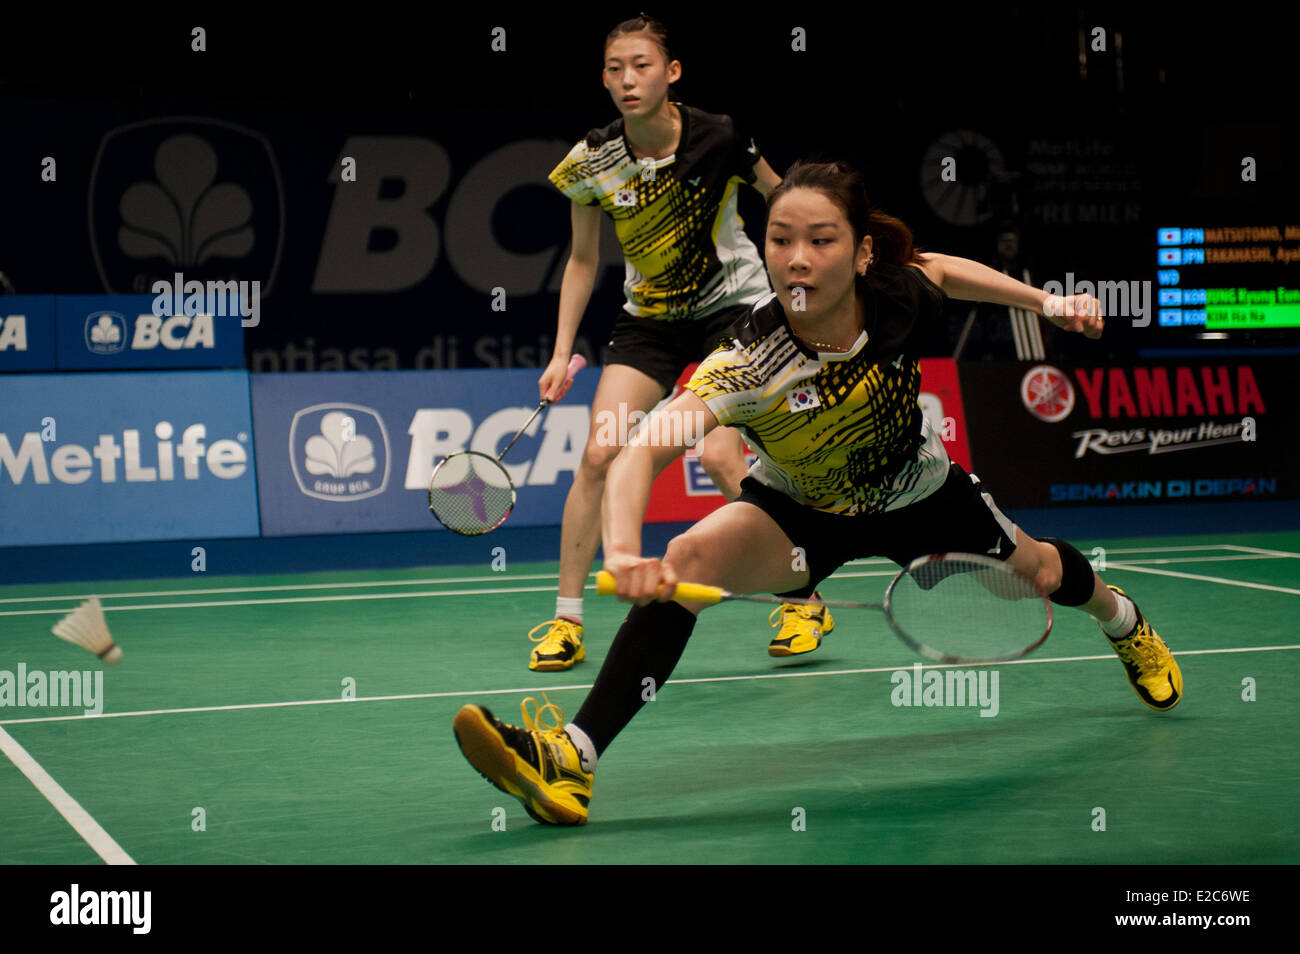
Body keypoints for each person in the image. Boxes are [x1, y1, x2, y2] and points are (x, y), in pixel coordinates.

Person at [455, 160, 1183, 825]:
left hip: (920, 497)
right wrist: (623, 549)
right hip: (802, 512)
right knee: (684, 559)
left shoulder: (895, 297)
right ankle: (573, 757)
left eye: (822, 240)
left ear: (863, 252)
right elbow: (643, 447)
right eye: (779, 239)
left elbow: (946, 272)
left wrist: (1044, 303)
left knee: (1042, 574)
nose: (798, 258)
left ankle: (1124, 622)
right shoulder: (746, 360)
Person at [528, 15, 833, 672]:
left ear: (672, 73)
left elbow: (784, 200)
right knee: (601, 453)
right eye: (615, 68)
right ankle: (566, 619)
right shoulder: (592, 161)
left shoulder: (719, 136)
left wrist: (804, 284)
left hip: (733, 307)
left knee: (725, 456)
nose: (627, 80)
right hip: (651, 321)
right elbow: (582, 262)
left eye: (642, 65)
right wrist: (560, 352)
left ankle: (803, 597)